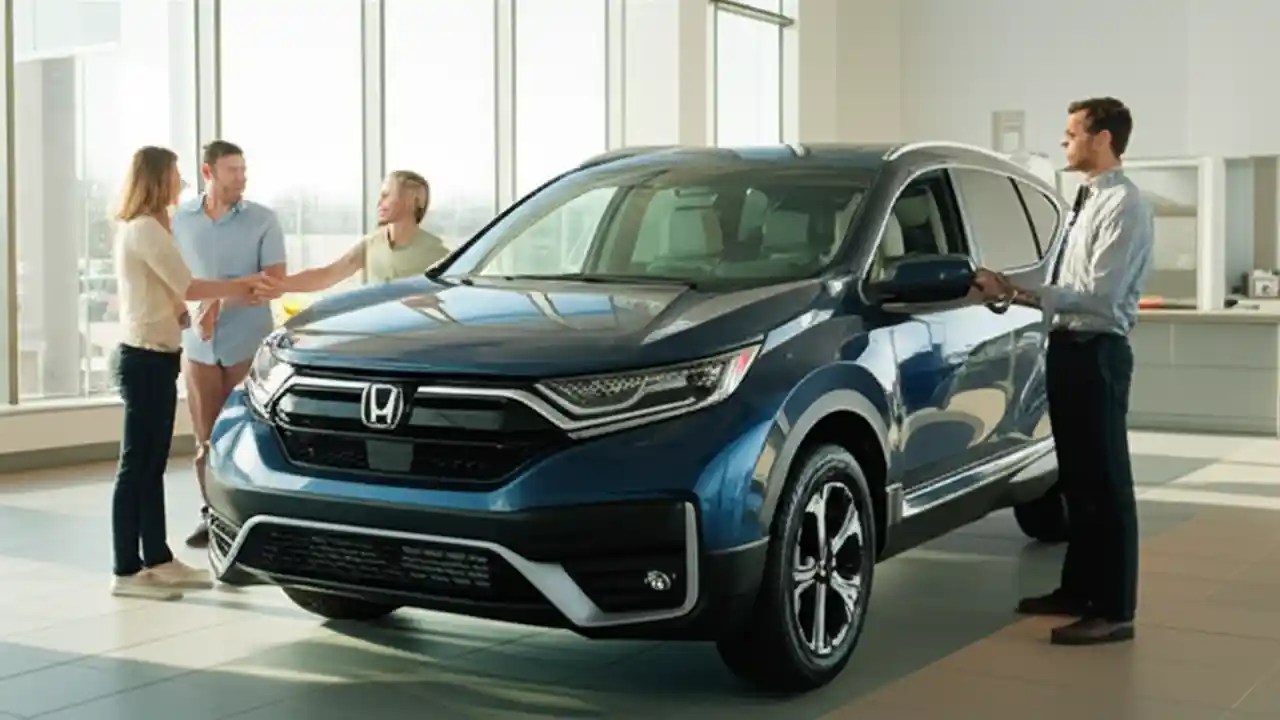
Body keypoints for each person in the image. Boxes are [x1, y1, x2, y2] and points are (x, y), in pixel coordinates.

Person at [972, 97, 1154, 645]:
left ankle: (1115, 609)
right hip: (1069, 350)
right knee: (1078, 480)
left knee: (1107, 484)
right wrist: (1011, 287)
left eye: (1072, 133)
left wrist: (1018, 291)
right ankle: (1078, 590)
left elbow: (1099, 299)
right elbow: (1067, 288)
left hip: (1097, 352)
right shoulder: (1085, 201)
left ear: (1102, 139)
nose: (1064, 142)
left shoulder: (1124, 206)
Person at [109, 146, 269, 599]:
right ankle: (126, 570)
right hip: (144, 360)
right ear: (157, 179)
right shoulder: (146, 228)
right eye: (176, 176)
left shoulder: (152, 227)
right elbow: (189, 283)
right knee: (136, 465)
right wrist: (242, 286)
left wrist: (179, 313)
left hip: (156, 354)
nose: (181, 184)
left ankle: (156, 559)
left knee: (151, 463)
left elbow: (166, 289)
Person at [172, 140, 286, 549]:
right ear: (208, 173)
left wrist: (217, 301)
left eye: (243, 169)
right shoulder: (179, 221)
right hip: (196, 345)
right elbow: (170, 278)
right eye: (232, 170)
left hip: (246, 343)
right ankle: (211, 517)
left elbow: (272, 282)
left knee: (247, 437)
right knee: (205, 439)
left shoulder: (263, 219)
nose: (241, 177)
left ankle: (250, 520)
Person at [269, 170, 449, 293]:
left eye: (386, 195)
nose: (379, 203)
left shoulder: (439, 254)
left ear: (413, 200)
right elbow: (327, 275)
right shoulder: (371, 245)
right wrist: (279, 285)